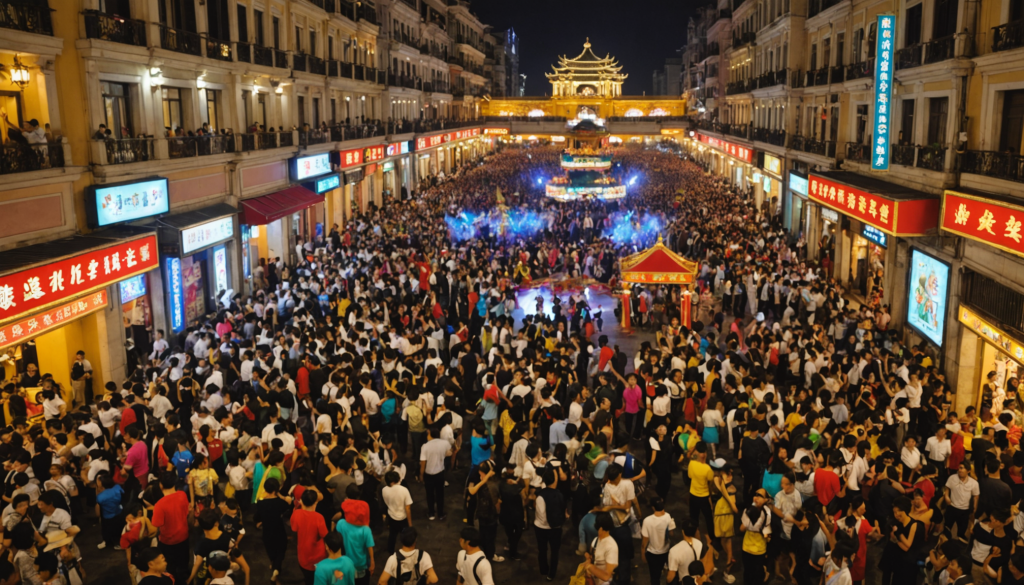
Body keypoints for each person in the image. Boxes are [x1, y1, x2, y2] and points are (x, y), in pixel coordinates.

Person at [150, 471, 190, 585]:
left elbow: (156, 524)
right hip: (184, 538)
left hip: (167, 542)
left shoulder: (159, 505)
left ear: (161, 485)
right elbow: (186, 512)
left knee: (170, 568)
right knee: (183, 565)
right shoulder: (182, 495)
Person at [255, 477, 291, 583]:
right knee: (281, 550)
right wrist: (282, 497)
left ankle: (273, 564)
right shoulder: (280, 503)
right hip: (279, 531)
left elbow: (256, 517)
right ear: (276, 490)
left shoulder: (260, 503)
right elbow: (288, 504)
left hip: (267, 532)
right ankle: (276, 569)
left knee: (271, 550)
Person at [533, 468, 566, 580]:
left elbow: (541, 514)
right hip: (555, 528)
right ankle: (551, 574)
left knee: (542, 550)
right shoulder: (559, 494)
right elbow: (563, 511)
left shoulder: (540, 495)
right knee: (555, 551)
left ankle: (543, 569)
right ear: (554, 481)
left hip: (540, 528)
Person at [292, 489, 328, 585]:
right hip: (318, 557)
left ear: (302, 501)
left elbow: (294, 528)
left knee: (308, 579)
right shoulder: (319, 517)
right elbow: (325, 535)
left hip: (303, 556)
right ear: (315, 502)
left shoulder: (296, 513)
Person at [419, 425, 451, 521]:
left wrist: (421, 475)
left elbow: (423, 463)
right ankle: (440, 514)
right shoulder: (444, 443)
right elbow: (449, 453)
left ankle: (431, 513)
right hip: (440, 473)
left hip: (429, 474)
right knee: (440, 494)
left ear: (430, 434)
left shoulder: (425, 447)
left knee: (430, 494)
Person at [641, 496, 675, 585]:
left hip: (652, 554)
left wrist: (643, 554)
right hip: (666, 552)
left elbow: (645, 541)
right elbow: (671, 534)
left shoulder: (647, 521)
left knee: (654, 578)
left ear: (653, 507)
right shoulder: (668, 517)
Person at [382, 470, 413, 554]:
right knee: (405, 536)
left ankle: (390, 551)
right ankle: (407, 551)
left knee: (392, 535)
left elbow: (386, 503)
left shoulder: (384, 490)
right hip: (403, 518)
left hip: (392, 516)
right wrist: (410, 524)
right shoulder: (404, 490)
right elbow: (408, 508)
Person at [584, 512, 619, 585]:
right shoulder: (596, 540)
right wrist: (589, 559)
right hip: (594, 580)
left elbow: (606, 576)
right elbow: (592, 557)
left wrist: (590, 567)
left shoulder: (611, 546)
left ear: (600, 528)